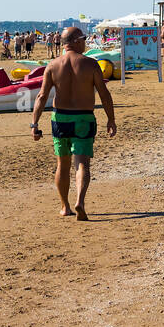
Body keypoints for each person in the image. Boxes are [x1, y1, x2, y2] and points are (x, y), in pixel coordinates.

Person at [30, 26, 117, 220]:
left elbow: (42, 96)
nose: (85, 42)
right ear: (76, 41)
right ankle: (80, 201)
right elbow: (104, 94)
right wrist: (111, 119)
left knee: (62, 164)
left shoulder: (52, 65)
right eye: (84, 39)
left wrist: (34, 124)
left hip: (60, 118)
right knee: (82, 163)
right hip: (84, 118)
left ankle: (65, 206)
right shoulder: (90, 64)